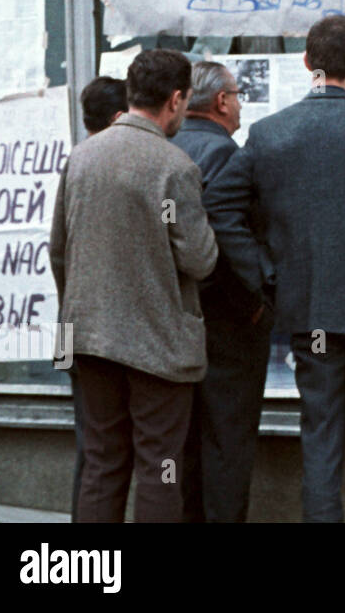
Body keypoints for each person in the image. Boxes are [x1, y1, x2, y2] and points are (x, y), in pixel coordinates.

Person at [203, 16, 345, 522]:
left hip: (312, 316)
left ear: (307, 63)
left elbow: (217, 207)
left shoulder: (270, 134)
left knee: (321, 444)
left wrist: (267, 274)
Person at [51, 50, 218, 522]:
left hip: (89, 340)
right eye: (184, 102)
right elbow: (200, 259)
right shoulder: (174, 166)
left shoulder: (81, 158)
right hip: (157, 345)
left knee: (102, 466)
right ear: (176, 98)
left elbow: (59, 249)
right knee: (160, 468)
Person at [172, 60, 272, 523]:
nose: (239, 104)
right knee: (227, 444)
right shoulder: (228, 155)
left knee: (185, 444)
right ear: (221, 101)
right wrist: (252, 302)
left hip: (173, 322)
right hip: (227, 326)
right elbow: (231, 236)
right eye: (236, 94)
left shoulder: (167, 149)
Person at [65, 75, 128, 522]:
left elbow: (56, 251)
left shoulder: (76, 162)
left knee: (95, 452)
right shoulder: (127, 162)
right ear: (119, 117)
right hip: (121, 333)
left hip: (78, 329)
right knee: (151, 456)